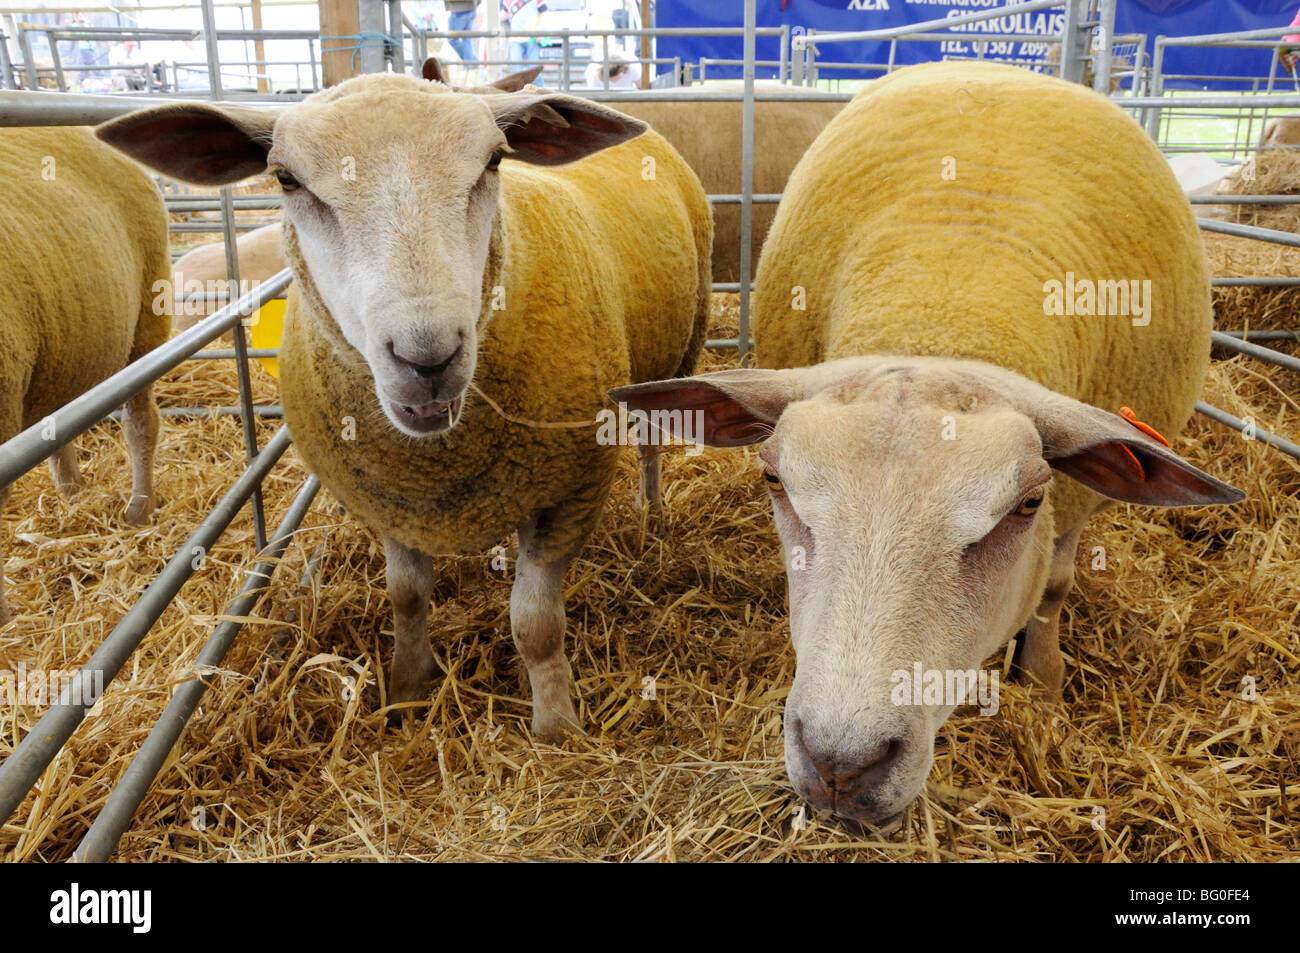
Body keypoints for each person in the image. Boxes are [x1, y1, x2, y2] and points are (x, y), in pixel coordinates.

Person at [501, 0, 545, 85]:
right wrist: (490, 21)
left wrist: (540, 30)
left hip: (532, 38)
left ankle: (540, 93)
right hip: (515, 38)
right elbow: (506, 13)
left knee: (533, 69)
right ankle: (516, 93)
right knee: (515, 68)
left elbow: (544, 12)